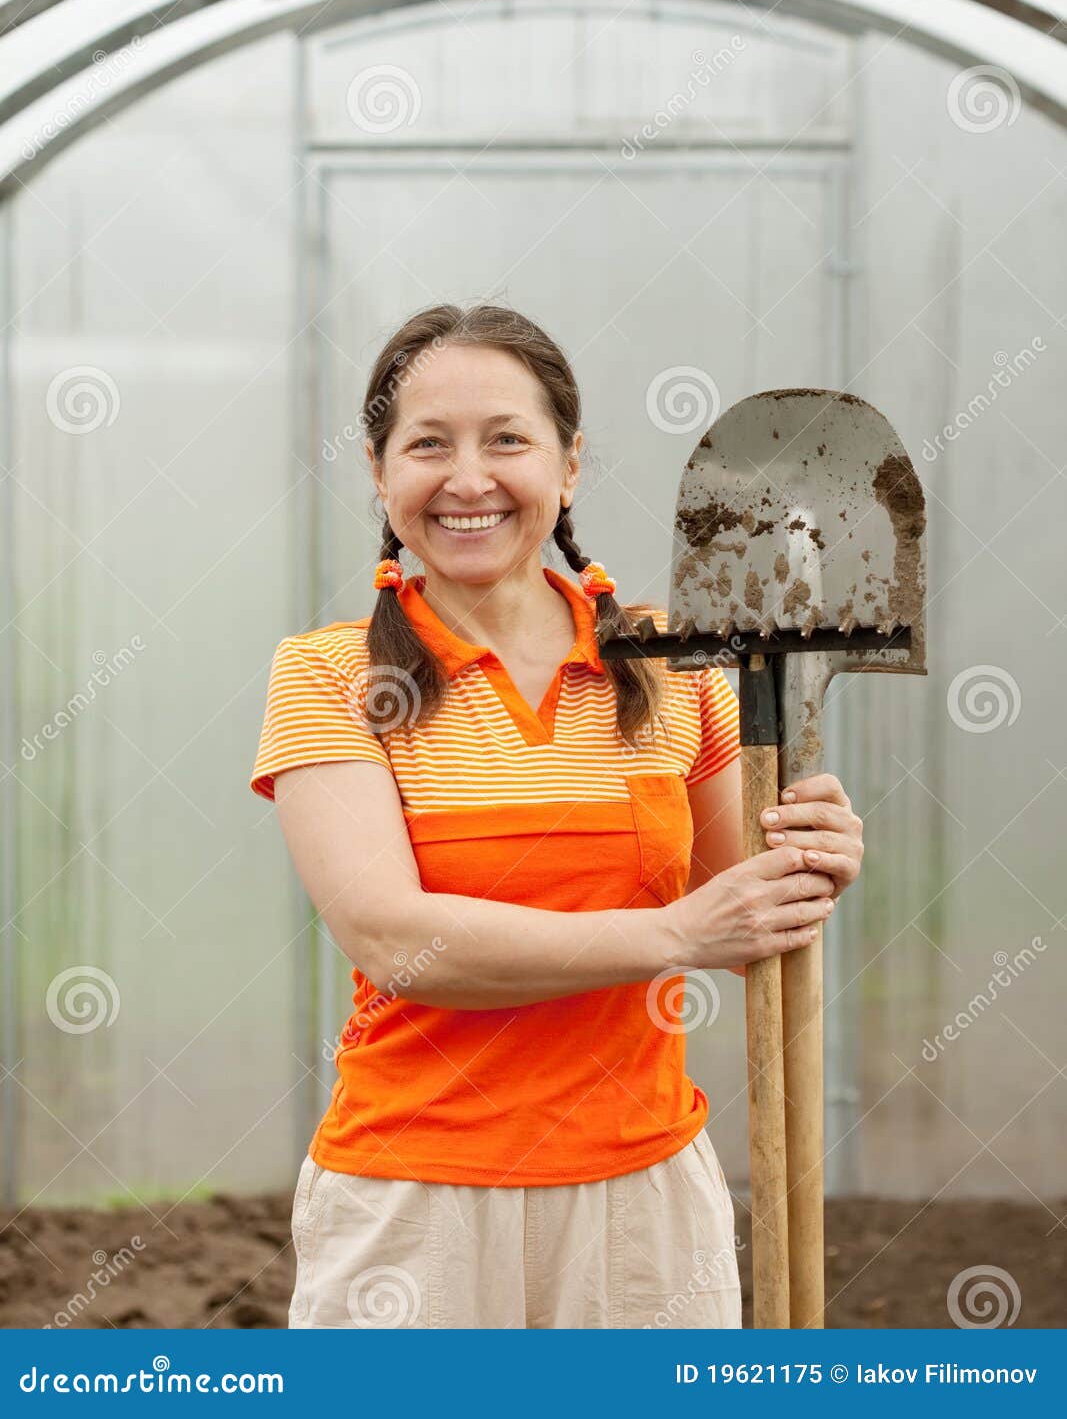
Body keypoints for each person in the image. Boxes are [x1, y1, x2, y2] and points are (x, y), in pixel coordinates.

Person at [249, 302, 865, 1329]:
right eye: (427, 445)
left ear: (568, 466)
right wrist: (677, 933)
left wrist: (809, 865)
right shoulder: (329, 674)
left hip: (642, 1208)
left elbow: (742, 923)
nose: (468, 479)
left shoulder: (675, 666)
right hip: (415, 1203)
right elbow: (394, 940)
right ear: (379, 471)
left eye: (506, 440)